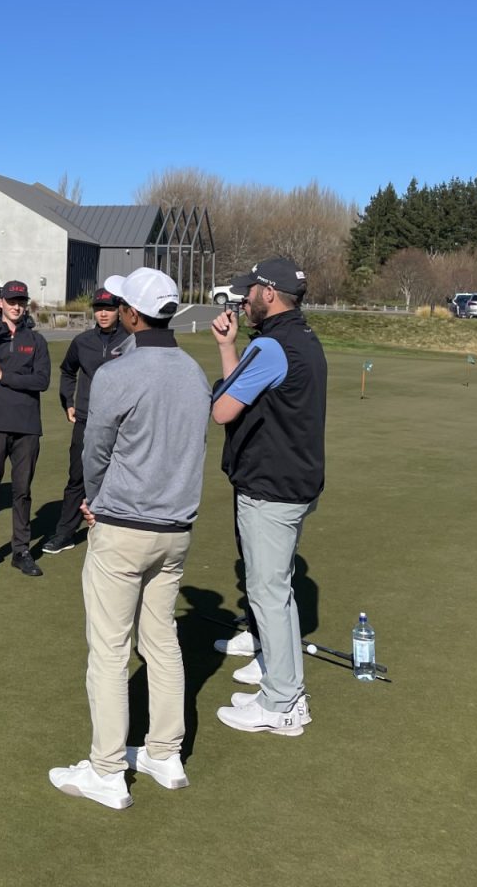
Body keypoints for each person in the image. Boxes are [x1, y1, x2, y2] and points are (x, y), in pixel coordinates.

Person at [49, 267, 210, 811]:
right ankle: (165, 753)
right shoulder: (194, 372)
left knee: (110, 650)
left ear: (132, 314)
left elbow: (95, 449)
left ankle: (107, 769)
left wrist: (94, 499)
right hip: (175, 531)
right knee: (161, 640)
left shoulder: (119, 372)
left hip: (123, 527)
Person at [211, 257, 326, 737]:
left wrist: (228, 366)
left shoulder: (271, 346)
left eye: (251, 291)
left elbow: (223, 409)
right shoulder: (304, 338)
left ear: (270, 293)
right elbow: (245, 395)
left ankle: (283, 702)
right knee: (277, 589)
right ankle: (279, 684)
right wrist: (228, 347)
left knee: (269, 592)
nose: (244, 299)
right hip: (293, 484)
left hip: (271, 487)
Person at [0, 279, 50, 577]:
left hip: (26, 426)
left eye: (20, 301)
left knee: (22, 491)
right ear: (0, 302)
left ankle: (21, 551)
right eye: (11, 301)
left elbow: (41, 381)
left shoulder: (36, 340)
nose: (16, 306)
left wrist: (4, 377)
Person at [42, 287, 129, 556]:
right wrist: (68, 402)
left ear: (119, 311)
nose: (103, 314)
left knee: (120, 477)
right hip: (86, 419)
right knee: (77, 476)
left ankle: (118, 532)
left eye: (109, 309)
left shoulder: (131, 340)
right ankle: (65, 534)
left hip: (122, 421)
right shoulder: (82, 341)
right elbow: (67, 371)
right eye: (99, 309)